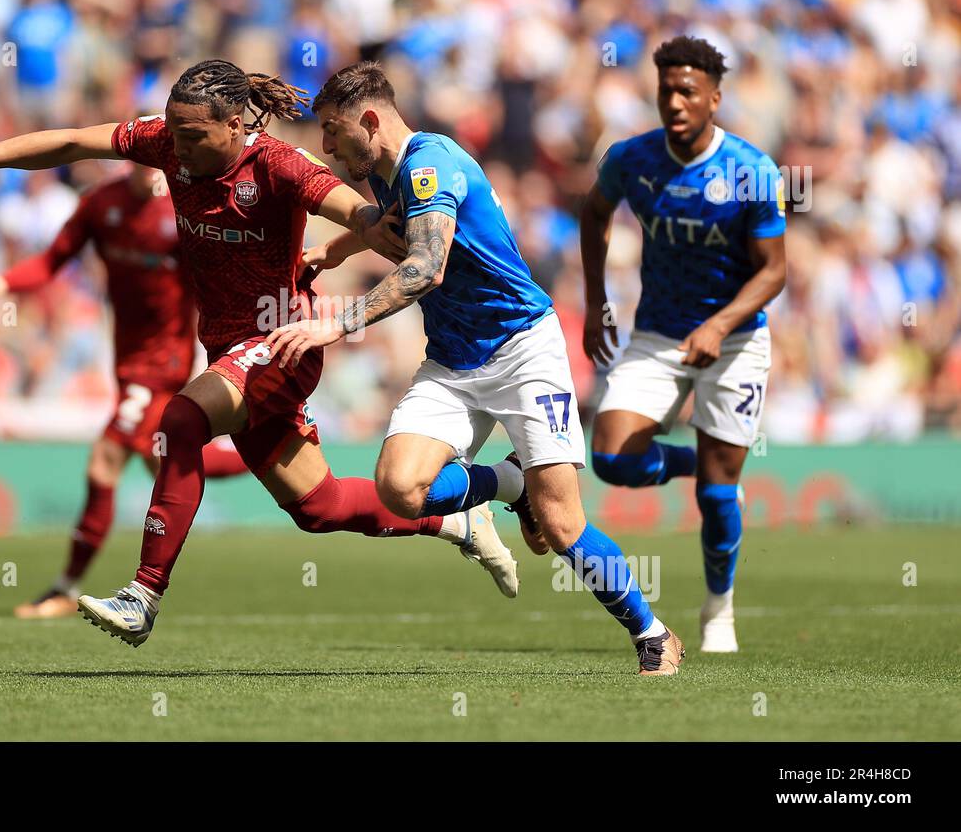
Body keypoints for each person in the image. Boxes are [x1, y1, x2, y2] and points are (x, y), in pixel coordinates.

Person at [0, 59, 519, 648]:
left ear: (235, 125)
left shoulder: (280, 165)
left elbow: (347, 205)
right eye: (173, 133)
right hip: (229, 349)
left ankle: (143, 594)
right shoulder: (166, 142)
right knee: (320, 506)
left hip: (283, 340)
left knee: (179, 421)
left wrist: (371, 224)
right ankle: (460, 521)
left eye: (193, 135)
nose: (177, 148)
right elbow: (75, 142)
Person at [268, 61, 685, 676]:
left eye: (332, 130)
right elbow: (382, 228)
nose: (325, 147)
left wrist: (338, 321)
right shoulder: (387, 176)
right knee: (400, 490)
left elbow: (424, 267)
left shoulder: (430, 165)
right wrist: (324, 255)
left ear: (371, 120)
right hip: (453, 360)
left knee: (563, 527)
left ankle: (651, 632)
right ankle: (510, 485)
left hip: (523, 350)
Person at [0, 160, 248, 618]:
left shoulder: (183, 212)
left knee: (104, 462)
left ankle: (65, 588)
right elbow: (53, 260)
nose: (156, 170)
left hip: (163, 363)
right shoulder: (102, 205)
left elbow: (223, 275)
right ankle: (260, 453)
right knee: (162, 461)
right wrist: (1, 283)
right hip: (125, 359)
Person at [578, 36, 787, 653]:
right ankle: (698, 463)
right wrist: (595, 303)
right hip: (659, 335)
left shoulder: (752, 171)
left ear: (714, 99)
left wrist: (720, 326)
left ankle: (718, 608)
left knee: (721, 498)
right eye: (666, 89)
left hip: (736, 340)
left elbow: (774, 271)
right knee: (611, 458)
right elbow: (593, 213)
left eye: (688, 91)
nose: (675, 100)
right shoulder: (631, 159)